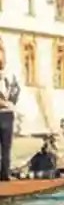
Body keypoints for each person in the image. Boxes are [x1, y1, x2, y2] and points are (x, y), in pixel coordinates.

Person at [0, 49, 20, 181]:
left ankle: (4, 176)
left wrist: (7, 102)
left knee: (6, 149)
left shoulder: (9, 76)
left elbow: (16, 92)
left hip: (7, 115)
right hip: (5, 112)